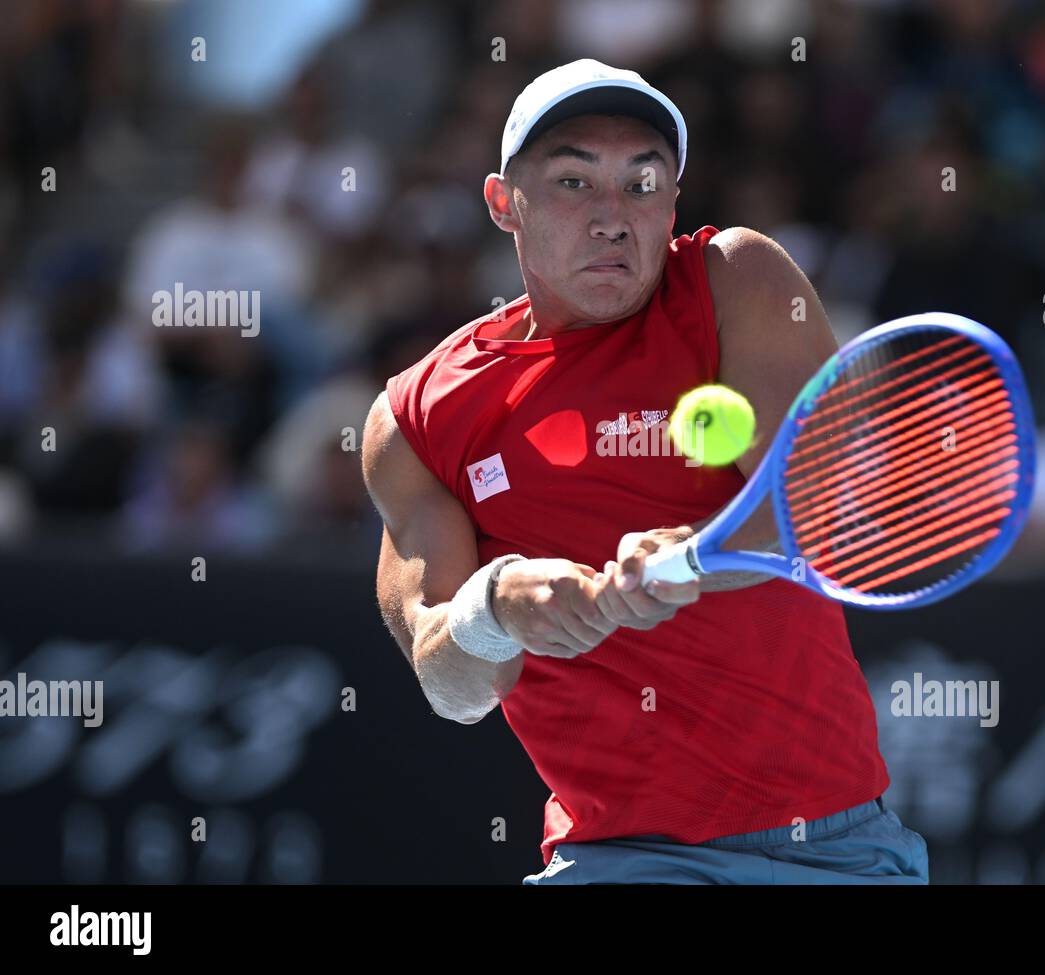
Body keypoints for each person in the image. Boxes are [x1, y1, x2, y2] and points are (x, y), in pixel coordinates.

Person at [361, 59, 927, 884]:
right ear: (500, 203)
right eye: (572, 181)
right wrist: (499, 604)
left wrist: (689, 555)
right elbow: (451, 684)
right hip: (613, 859)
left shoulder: (737, 279)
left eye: (641, 184)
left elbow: (821, 509)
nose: (611, 219)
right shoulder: (418, 419)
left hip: (831, 850)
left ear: (672, 206)